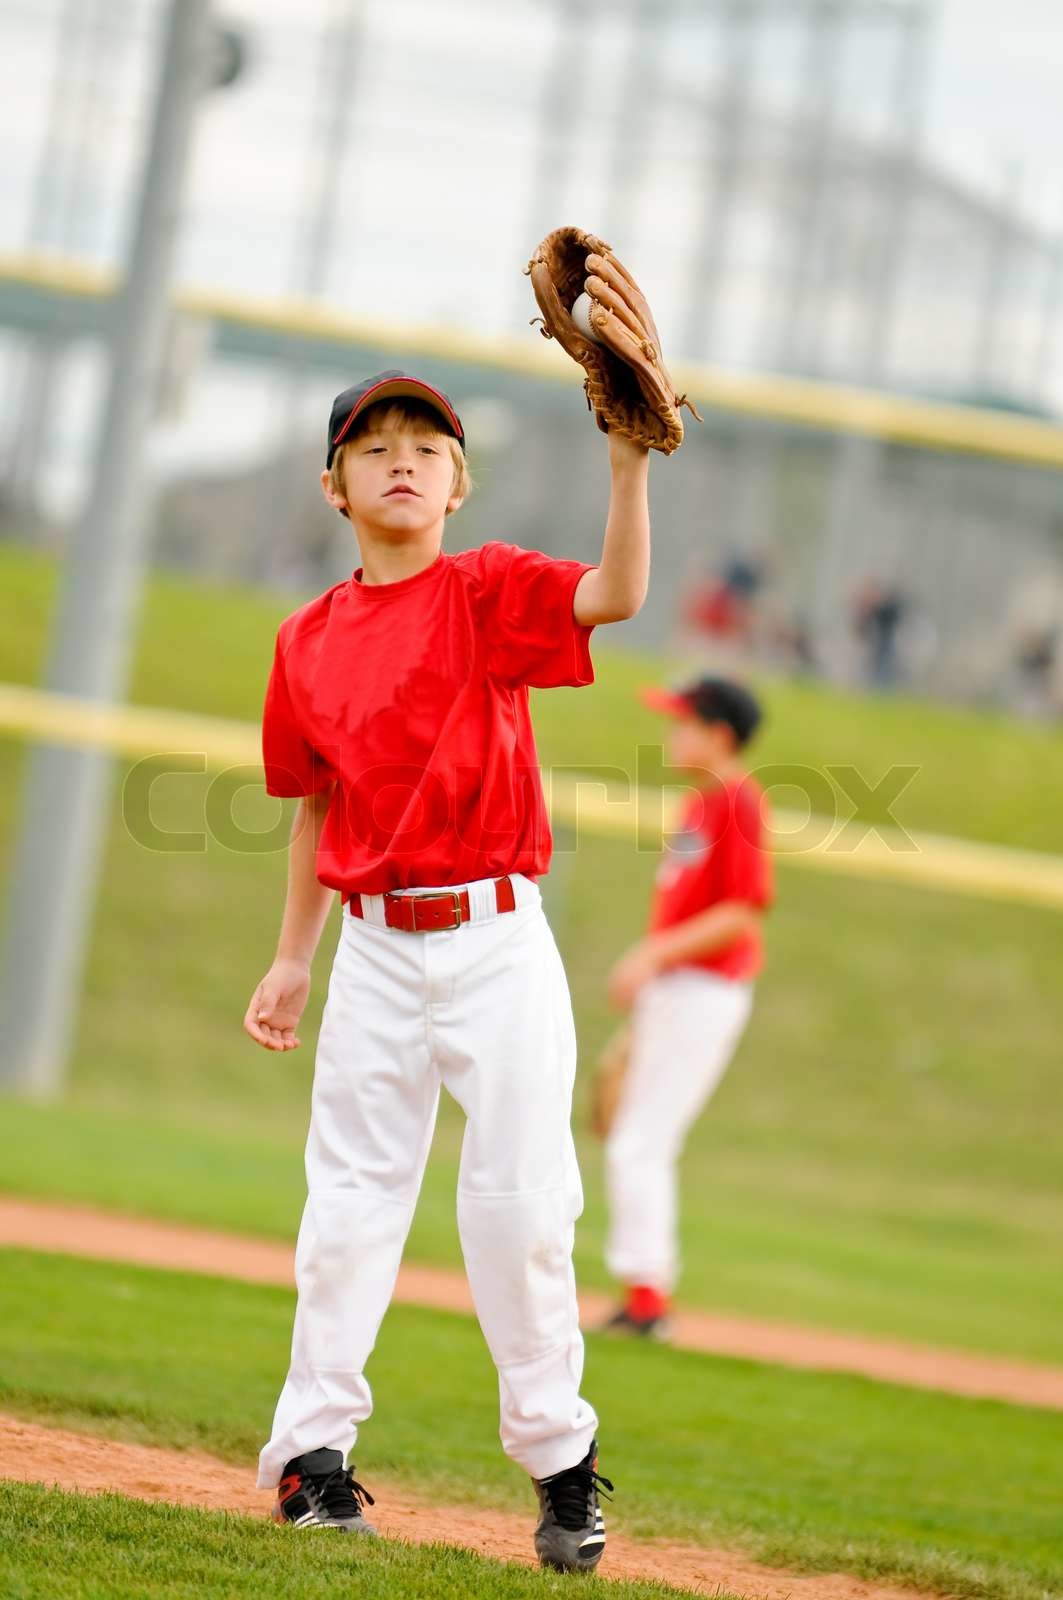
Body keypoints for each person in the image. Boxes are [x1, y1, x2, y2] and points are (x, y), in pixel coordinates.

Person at [243, 369, 650, 1571]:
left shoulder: (488, 591)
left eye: (427, 445)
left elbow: (616, 595)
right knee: (349, 1206)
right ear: (336, 485)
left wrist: (627, 468)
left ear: (459, 484)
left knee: (522, 1208)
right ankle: (314, 1465)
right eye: (374, 448)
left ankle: (561, 1468)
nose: (402, 460)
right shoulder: (305, 639)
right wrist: (290, 959)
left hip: (496, 942)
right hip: (369, 945)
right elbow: (316, 805)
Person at [601, 677, 772, 1338]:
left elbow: (741, 912)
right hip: (678, 990)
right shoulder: (703, 805)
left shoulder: (738, 803)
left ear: (718, 734)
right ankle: (641, 1294)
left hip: (702, 988)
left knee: (641, 1141)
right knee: (635, 1140)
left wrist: (651, 955)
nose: (672, 734)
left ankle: (647, 1302)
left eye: (684, 723)